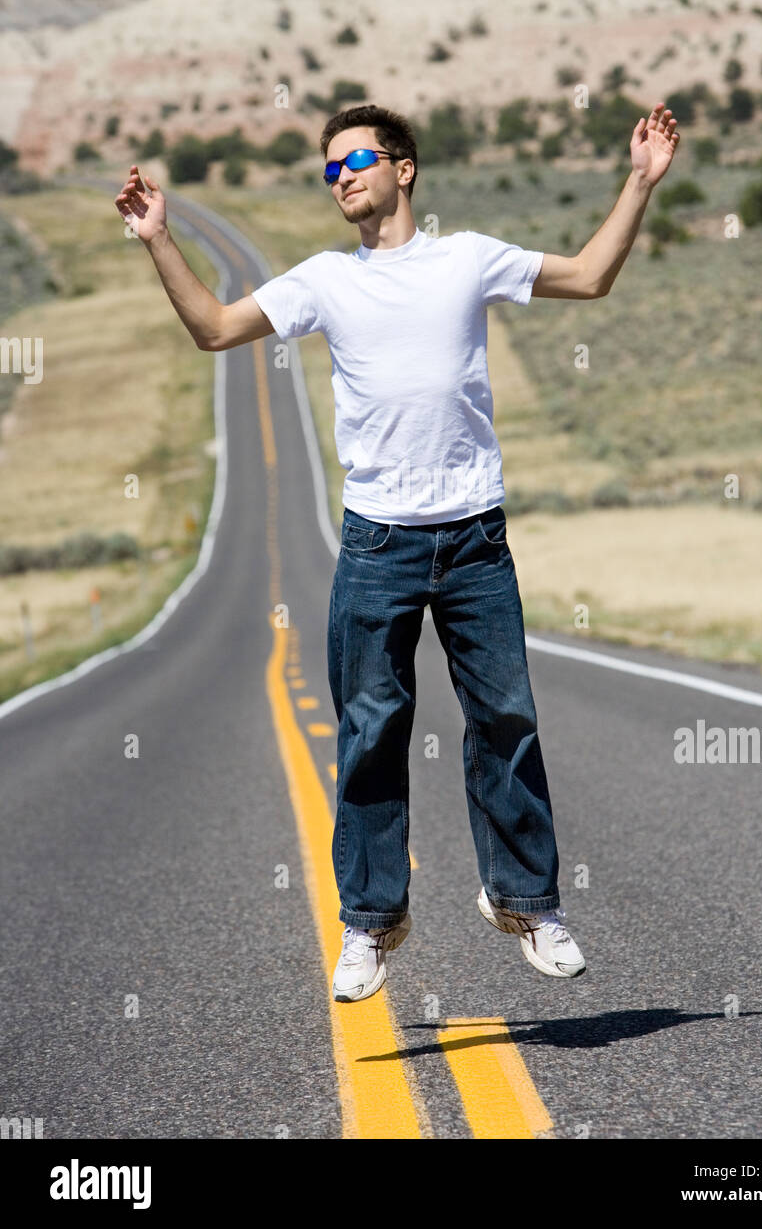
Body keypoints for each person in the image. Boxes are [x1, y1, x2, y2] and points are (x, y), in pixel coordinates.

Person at [114, 100, 680, 1003]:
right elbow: (215, 329)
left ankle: (527, 901)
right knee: (372, 732)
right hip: (378, 542)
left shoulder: (466, 258)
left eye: (356, 161)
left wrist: (641, 181)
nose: (341, 178)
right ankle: (374, 924)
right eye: (328, 170)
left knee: (506, 721)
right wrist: (157, 239)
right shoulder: (325, 280)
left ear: (404, 168)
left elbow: (589, 276)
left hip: (475, 537)